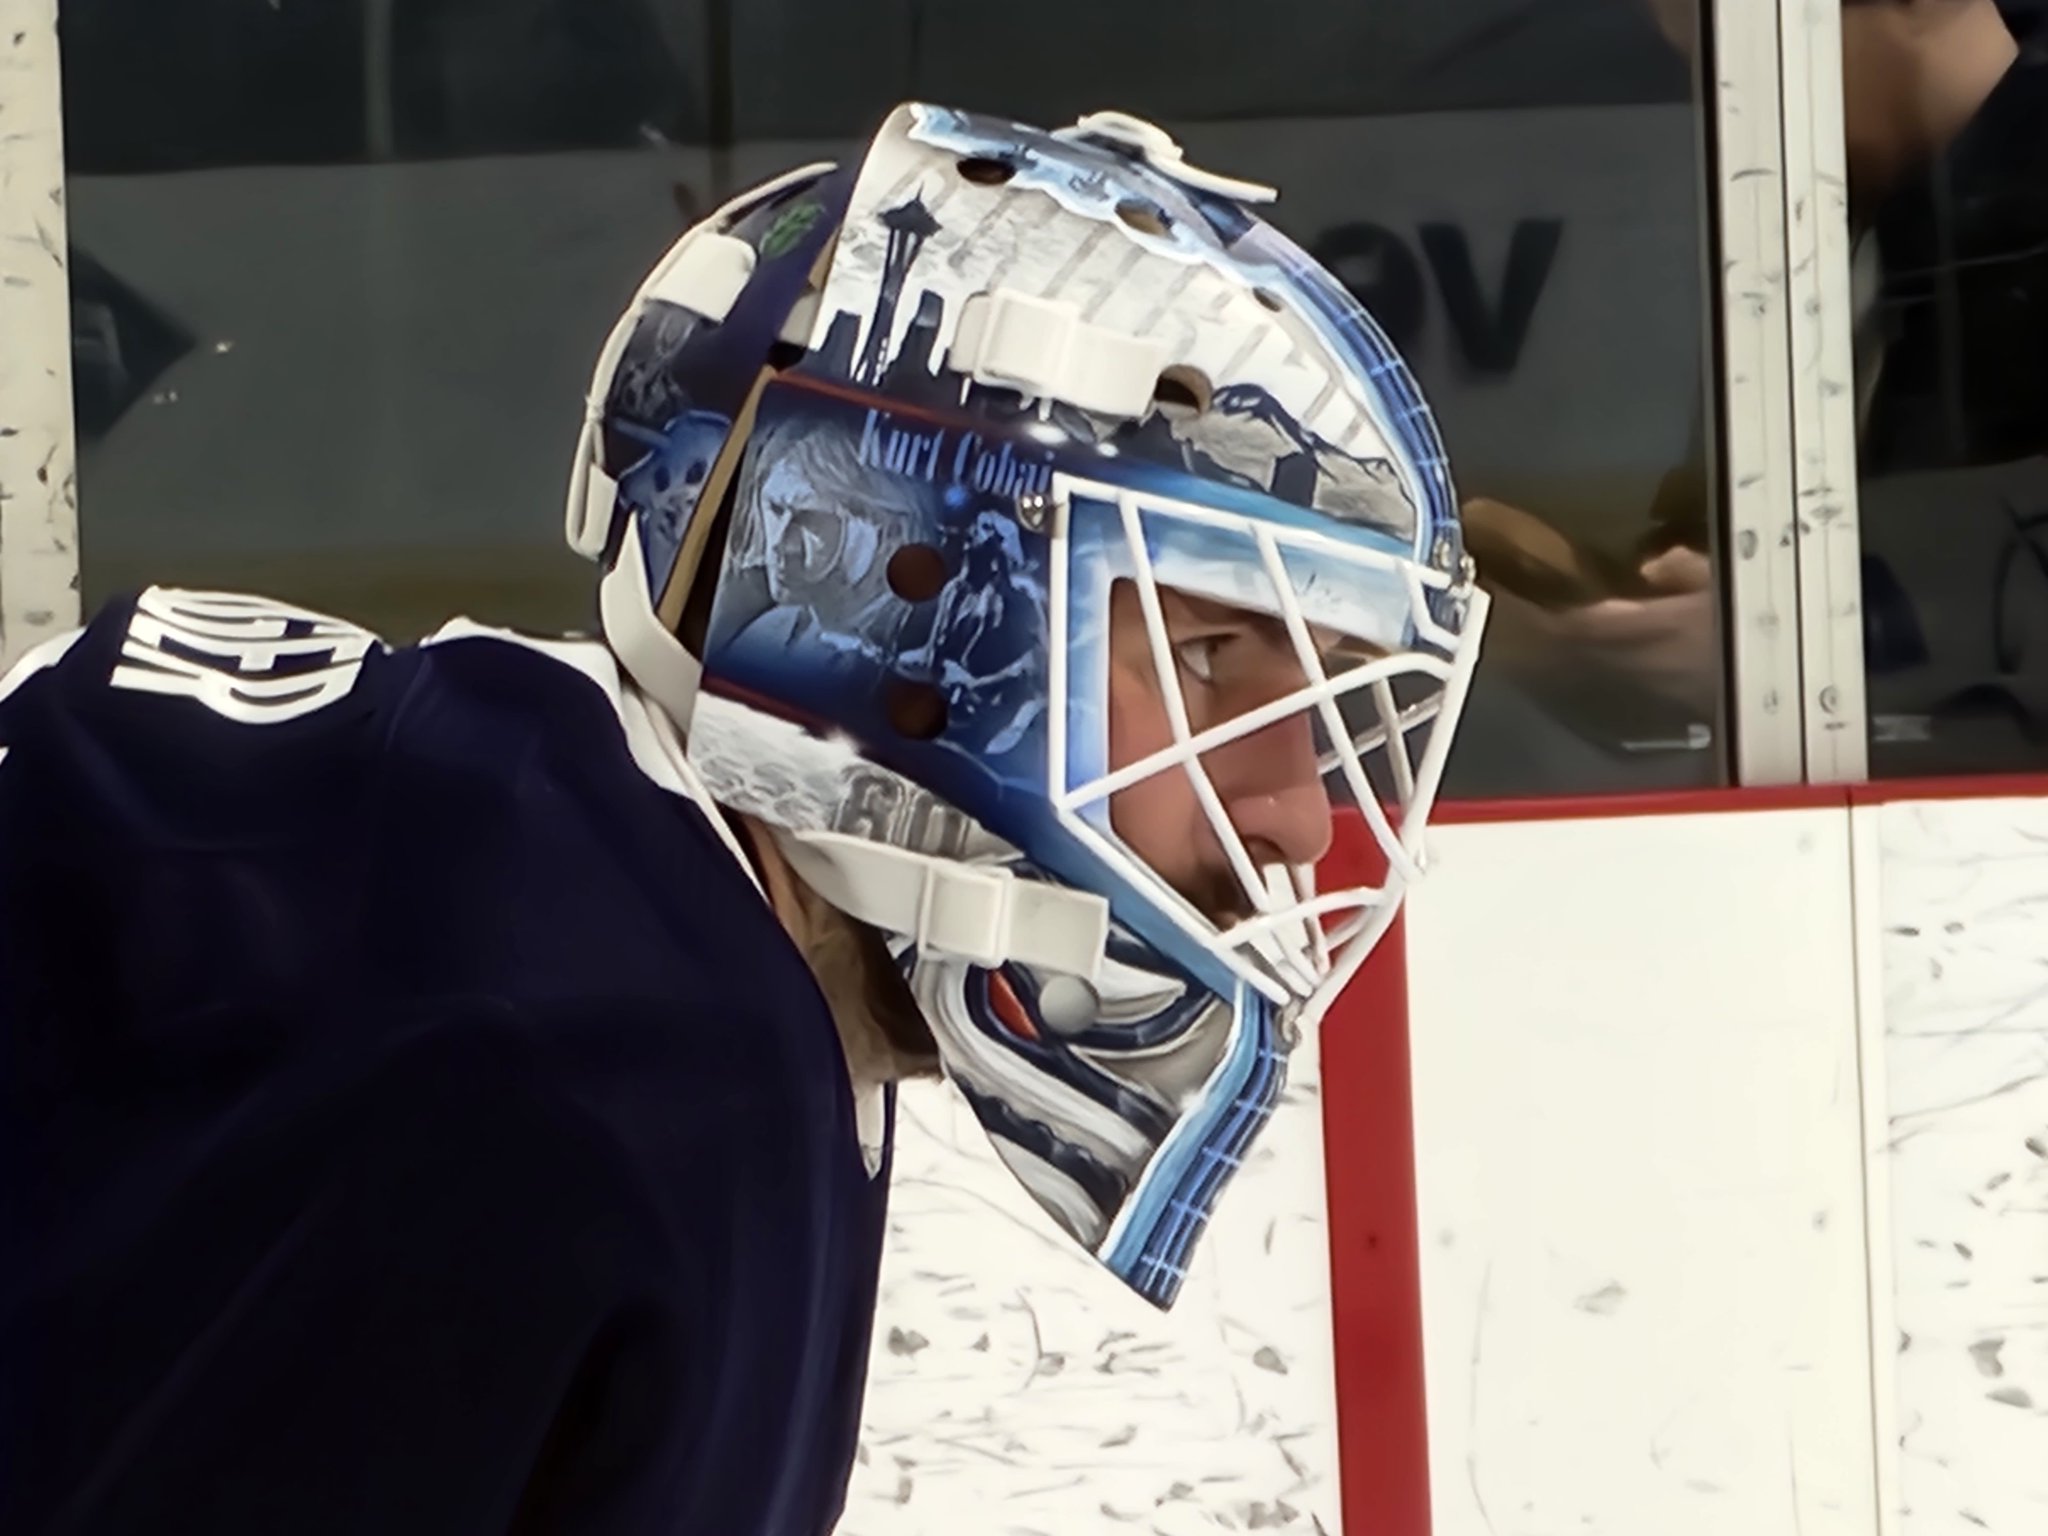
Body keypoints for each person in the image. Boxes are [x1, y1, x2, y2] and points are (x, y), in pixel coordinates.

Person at [0, 104, 1484, 1534]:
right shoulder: (608, 1052)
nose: (1297, 814)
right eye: (1207, 657)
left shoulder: (644, 907)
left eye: (1333, 697)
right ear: (879, 576)